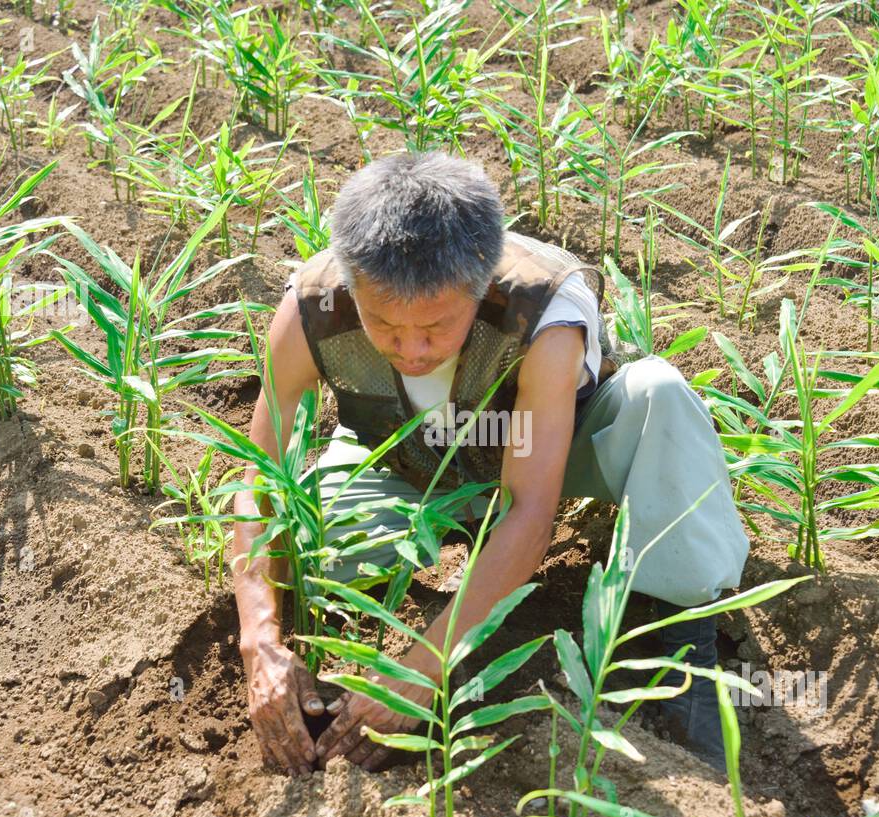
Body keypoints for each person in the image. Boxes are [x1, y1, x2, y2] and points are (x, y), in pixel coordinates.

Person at [231, 151, 749, 776]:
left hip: (545, 454)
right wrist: (259, 635)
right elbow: (259, 471)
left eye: (435, 326)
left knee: (659, 397)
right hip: (402, 458)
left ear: (478, 286)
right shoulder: (311, 308)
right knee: (307, 546)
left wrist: (423, 667)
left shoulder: (541, 315)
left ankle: (679, 626)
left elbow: (530, 511)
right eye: (384, 325)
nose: (412, 349)